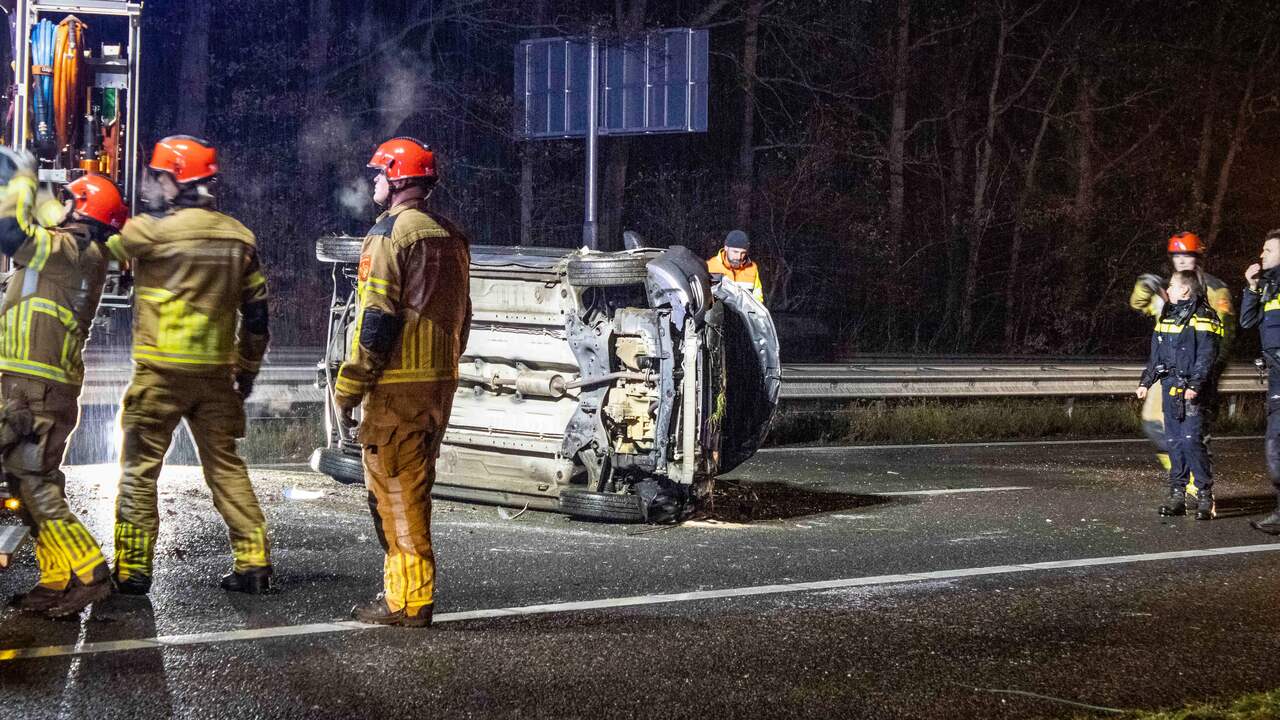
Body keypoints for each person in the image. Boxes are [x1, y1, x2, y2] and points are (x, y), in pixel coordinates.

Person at [108, 135, 274, 595]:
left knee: (140, 470)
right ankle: (253, 561)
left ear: (176, 179)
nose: (154, 185)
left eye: (159, 176)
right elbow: (257, 314)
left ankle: (133, 569)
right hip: (217, 378)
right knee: (225, 467)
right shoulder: (239, 237)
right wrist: (247, 370)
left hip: (159, 375)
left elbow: (95, 255)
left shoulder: (150, 232)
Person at [335, 137, 471, 627]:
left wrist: (350, 386)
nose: (373, 181)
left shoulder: (390, 235)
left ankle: (409, 601)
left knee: (395, 491)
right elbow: (463, 316)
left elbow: (376, 320)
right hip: (439, 382)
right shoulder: (450, 234)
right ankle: (402, 593)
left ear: (396, 179)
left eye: (378, 173)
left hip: (397, 384)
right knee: (413, 484)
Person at [0, 148, 128, 617]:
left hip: (38, 389)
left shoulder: (68, 252)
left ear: (82, 212)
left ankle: (91, 574)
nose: (62, 207)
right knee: (31, 483)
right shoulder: (76, 250)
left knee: (37, 487)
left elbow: (9, 232)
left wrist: (18, 180)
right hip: (30, 382)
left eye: (71, 202)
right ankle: (56, 578)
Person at [1129, 231, 1233, 499]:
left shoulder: (1214, 289)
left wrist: (1205, 378)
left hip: (1197, 376)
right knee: (1157, 427)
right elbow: (1139, 304)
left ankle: (1201, 490)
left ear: (1198, 258)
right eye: (1178, 256)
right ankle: (1180, 482)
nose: (1183, 261)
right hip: (1168, 373)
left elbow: (1221, 339)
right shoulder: (1167, 288)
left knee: (1194, 436)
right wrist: (1145, 284)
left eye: (1188, 255)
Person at [1136, 270, 1223, 520]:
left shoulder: (1205, 317)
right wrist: (1146, 381)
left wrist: (1195, 384)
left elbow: (1206, 356)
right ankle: (1177, 496)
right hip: (1170, 387)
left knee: (1191, 441)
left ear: (1185, 290)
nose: (1169, 289)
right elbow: (1157, 356)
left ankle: (1206, 497)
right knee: (1174, 442)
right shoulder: (1167, 316)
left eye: (1172, 286)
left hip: (1193, 391)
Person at [1241, 230, 1280, 534]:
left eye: (1268, 249)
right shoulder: (1268, 286)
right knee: (1275, 444)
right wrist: (1252, 288)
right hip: (1276, 376)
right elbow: (1247, 322)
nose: (1261, 255)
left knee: (1276, 444)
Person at [706, 229, 764, 304]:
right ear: (726, 248)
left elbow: (758, 299)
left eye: (743, 253)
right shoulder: (710, 266)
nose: (738, 257)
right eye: (735, 252)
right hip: (717, 315)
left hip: (743, 315)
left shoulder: (752, 268)